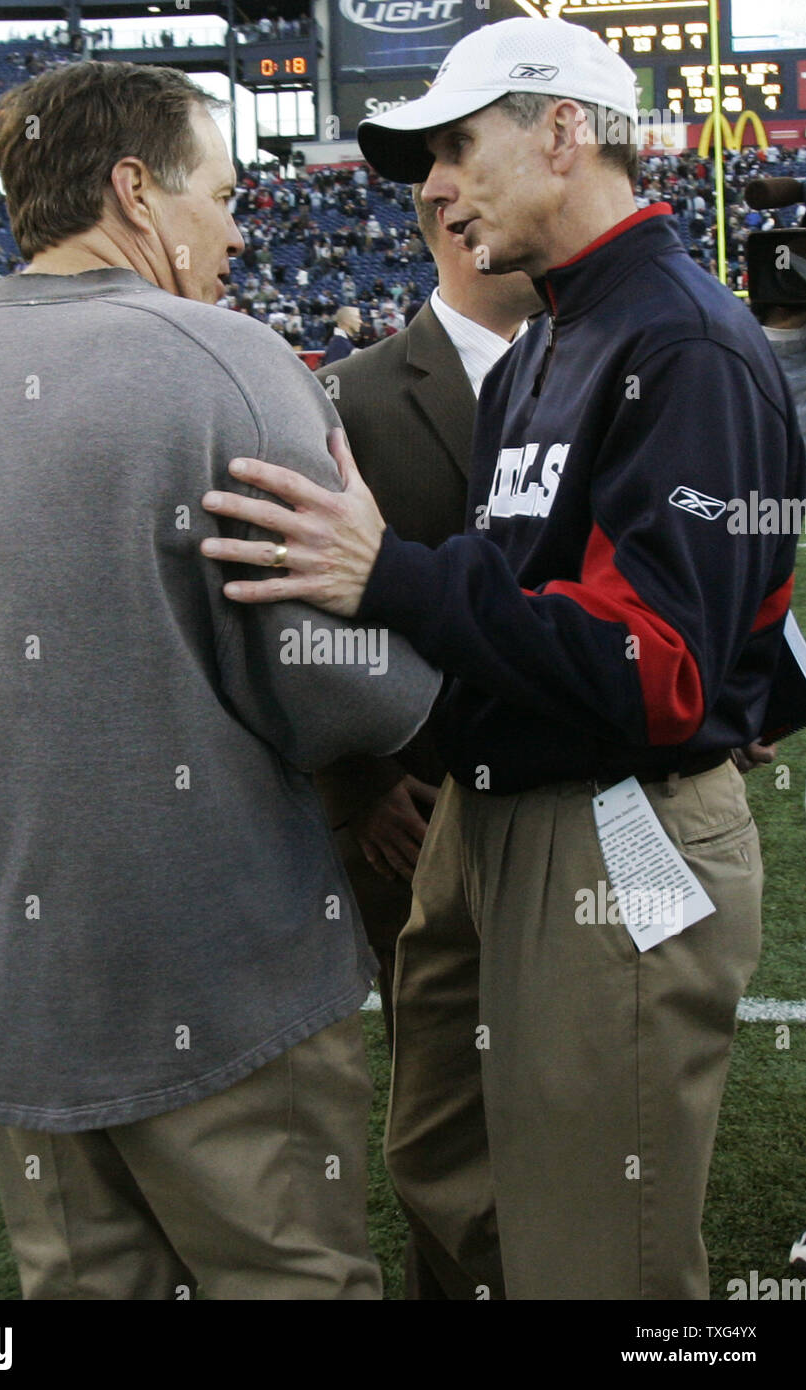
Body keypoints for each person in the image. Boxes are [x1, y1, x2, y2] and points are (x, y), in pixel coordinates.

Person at [200, 17, 806, 1299]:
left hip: (611, 821)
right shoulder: (543, 341)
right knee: (449, 1187)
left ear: (566, 131)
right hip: (489, 817)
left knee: (603, 1255)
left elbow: (658, 671)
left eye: (460, 147)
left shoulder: (680, 341)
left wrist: (390, 573)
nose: (433, 186)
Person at [0, 60, 439, 1301]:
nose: (238, 229)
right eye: (221, 194)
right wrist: (388, 567)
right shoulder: (224, 359)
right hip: (206, 971)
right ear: (136, 191)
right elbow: (354, 692)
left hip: (5, 978)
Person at [315, 186, 541, 1298]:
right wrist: (356, 786)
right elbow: (291, 610)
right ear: (455, 229)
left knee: (587, 1084)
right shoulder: (345, 394)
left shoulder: (606, 368)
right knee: (448, 1103)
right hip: (418, 811)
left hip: (587, 800)